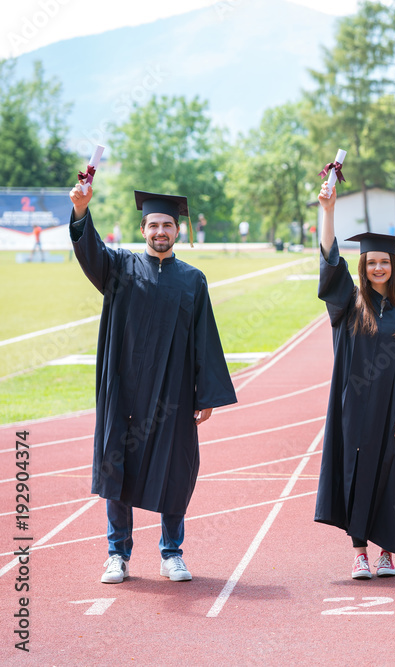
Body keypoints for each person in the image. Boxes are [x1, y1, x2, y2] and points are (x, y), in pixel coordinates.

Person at [68, 183, 237, 585]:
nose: (160, 231)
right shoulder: (120, 269)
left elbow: (204, 337)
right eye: (153, 225)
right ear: (143, 229)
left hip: (173, 395)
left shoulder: (193, 281)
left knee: (175, 469)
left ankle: (171, 553)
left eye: (167, 225)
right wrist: (80, 211)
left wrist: (205, 392)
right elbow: (88, 250)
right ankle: (117, 554)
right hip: (124, 391)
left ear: (177, 231)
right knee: (117, 469)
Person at [313, 178, 395, 580]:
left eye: (384, 261)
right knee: (358, 478)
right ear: (363, 266)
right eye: (371, 262)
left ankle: (386, 554)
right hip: (356, 412)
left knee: (393, 483)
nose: (377, 267)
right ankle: (359, 552)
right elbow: (330, 260)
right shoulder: (348, 304)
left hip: (393, 418)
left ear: (393, 267)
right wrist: (327, 211)